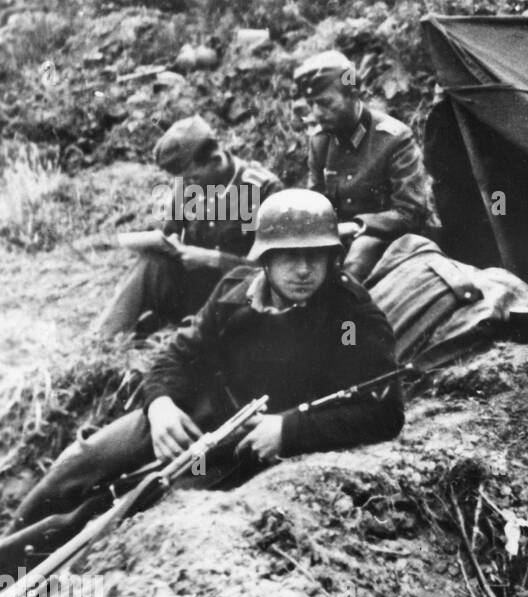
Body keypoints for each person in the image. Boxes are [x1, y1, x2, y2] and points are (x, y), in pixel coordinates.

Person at [5, 190, 404, 561]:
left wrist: (290, 429)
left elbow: (382, 412)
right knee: (80, 461)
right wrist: (160, 405)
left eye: (315, 257)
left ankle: (25, 583)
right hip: (192, 410)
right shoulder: (236, 291)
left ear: (333, 258)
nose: (303, 270)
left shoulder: (350, 320)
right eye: (288, 256)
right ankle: (6, 554)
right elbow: (178, 355)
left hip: (239, 446)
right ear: (265, 258)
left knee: (120, 509)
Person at [95, 116, 282, 338]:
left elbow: (270, 270)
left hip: (239, 296)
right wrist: (169, 244)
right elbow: (170, 233)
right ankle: (104, 340)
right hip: (193, 292)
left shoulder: (263, 189)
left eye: (193, 177)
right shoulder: (187, 185)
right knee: (152, 263)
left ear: (215, 159)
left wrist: (209, 258)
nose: (188, 185)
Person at [294, 50, 434, 283]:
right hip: (338, 239)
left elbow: (411, 212)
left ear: (353, 94)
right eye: (312, 104)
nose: (317, 113)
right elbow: (317, 202)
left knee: (352, 270)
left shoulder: (394, 139)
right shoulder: (320, 143)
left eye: (325, 103)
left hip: (392, 241)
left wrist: (357, 226)